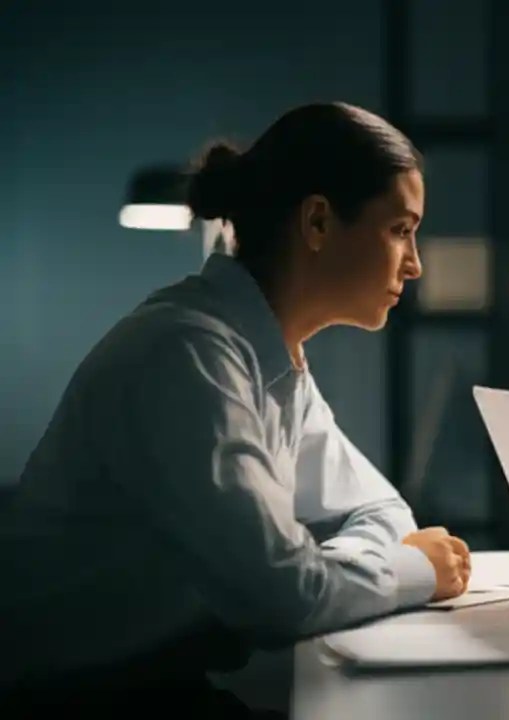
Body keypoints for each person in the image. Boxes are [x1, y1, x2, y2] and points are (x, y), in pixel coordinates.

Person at [0, 102, 471, 714]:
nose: (415, 264)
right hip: (66, 700)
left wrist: (337, 571)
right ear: (320, 222)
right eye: (400, 230)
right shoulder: (188, 355)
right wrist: (408, 572)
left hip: (152, 685)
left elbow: (380, 510)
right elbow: (286, 598)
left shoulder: (270, 356)